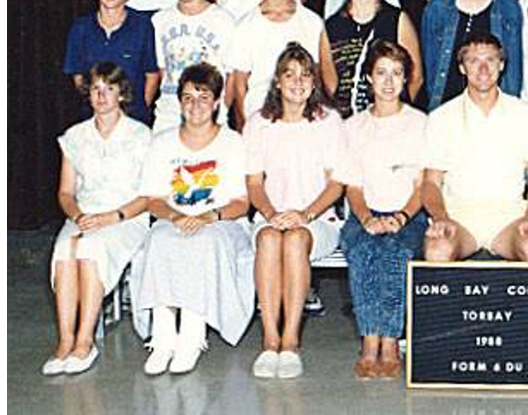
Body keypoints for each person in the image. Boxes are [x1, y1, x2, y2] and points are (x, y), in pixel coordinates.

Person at [132, 63, 254, 375]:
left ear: (216, 102)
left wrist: (208, 216)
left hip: (221, 223)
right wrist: (175, 215)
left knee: (201, 242)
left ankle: (191, 335)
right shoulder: (162, 143)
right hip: (173, 220)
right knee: (160, 240)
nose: (195, 105)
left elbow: (242, 202)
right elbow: (153, 199)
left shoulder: (233, 143)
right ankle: (162, 338)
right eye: (187, 98)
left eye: (203, 97)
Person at [42, 62, 152, 376]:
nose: (102, 96)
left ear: (121, 94)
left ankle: (84, 341)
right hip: (84, 215)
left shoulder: (141, 135)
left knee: (91, 251)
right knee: (65, 251)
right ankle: (64, 342)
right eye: (95, 89)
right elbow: (65, 193)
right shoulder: (75, 137)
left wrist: (112, 216)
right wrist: (78, 216)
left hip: (126, 216)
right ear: (88, 94)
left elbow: (148, 196)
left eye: (109, 89)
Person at [244, 43, 347, 379]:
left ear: (314, 82)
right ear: (277, 81)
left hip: (318, 220)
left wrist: (304, 214)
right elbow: (254, 184)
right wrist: (273, 213)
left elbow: (336, 185)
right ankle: (269, 339)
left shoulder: (329, 121)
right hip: (271, 217)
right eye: (290, 75)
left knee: (295, 239)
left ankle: (290, 341)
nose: (298, 82)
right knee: (272, 239)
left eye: (305, 75)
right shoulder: (258, 123)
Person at [336, 41, 429, 380]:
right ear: (369, 80)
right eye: (381, 73)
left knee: (395, 251)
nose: (389, 82)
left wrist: (401, 217)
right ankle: (368, 341)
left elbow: (423, 185)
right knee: (362, 251)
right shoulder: (353, 127)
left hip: (409, 215)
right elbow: (353, 186)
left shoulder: (420, 123)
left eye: (397, 74)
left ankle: (390, 342)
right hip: (364, 213)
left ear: (406, 80)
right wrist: (367, 219)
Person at [421, 31, 528, 262]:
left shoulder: (526, 114)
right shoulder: (441, 117)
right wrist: (441, 217)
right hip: (458, 215)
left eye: (490, 60)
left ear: (501, 65)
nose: (483, 69)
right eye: (473, 61)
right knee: (438, 249)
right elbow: (431, 182)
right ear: (462, 67)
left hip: (510, 215)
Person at [228, 0, 327, 129]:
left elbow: (317, 79)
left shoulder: (312, 23)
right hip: (260, 123)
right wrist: (246, 129)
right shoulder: (245, 26)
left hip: (302, 123)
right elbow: (239, 87)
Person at [319, 0, 423, 116]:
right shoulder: (330, 27)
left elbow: (415, 77)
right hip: (348, 126)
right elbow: (330, 85)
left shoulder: (398, 20)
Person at [64, 0, 160, 125]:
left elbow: (151, 74)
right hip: (93, 121)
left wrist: (137, 112)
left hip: (132, 119)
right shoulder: (80, 28)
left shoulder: (143, 26)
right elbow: (78, 76)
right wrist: (98, 108)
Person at [152, 0, 238, 133]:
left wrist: (221, 111)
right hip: (169, 117)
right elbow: (160, 71)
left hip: (210, 116)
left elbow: (232, 76)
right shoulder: (159, 21)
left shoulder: (224, 21)